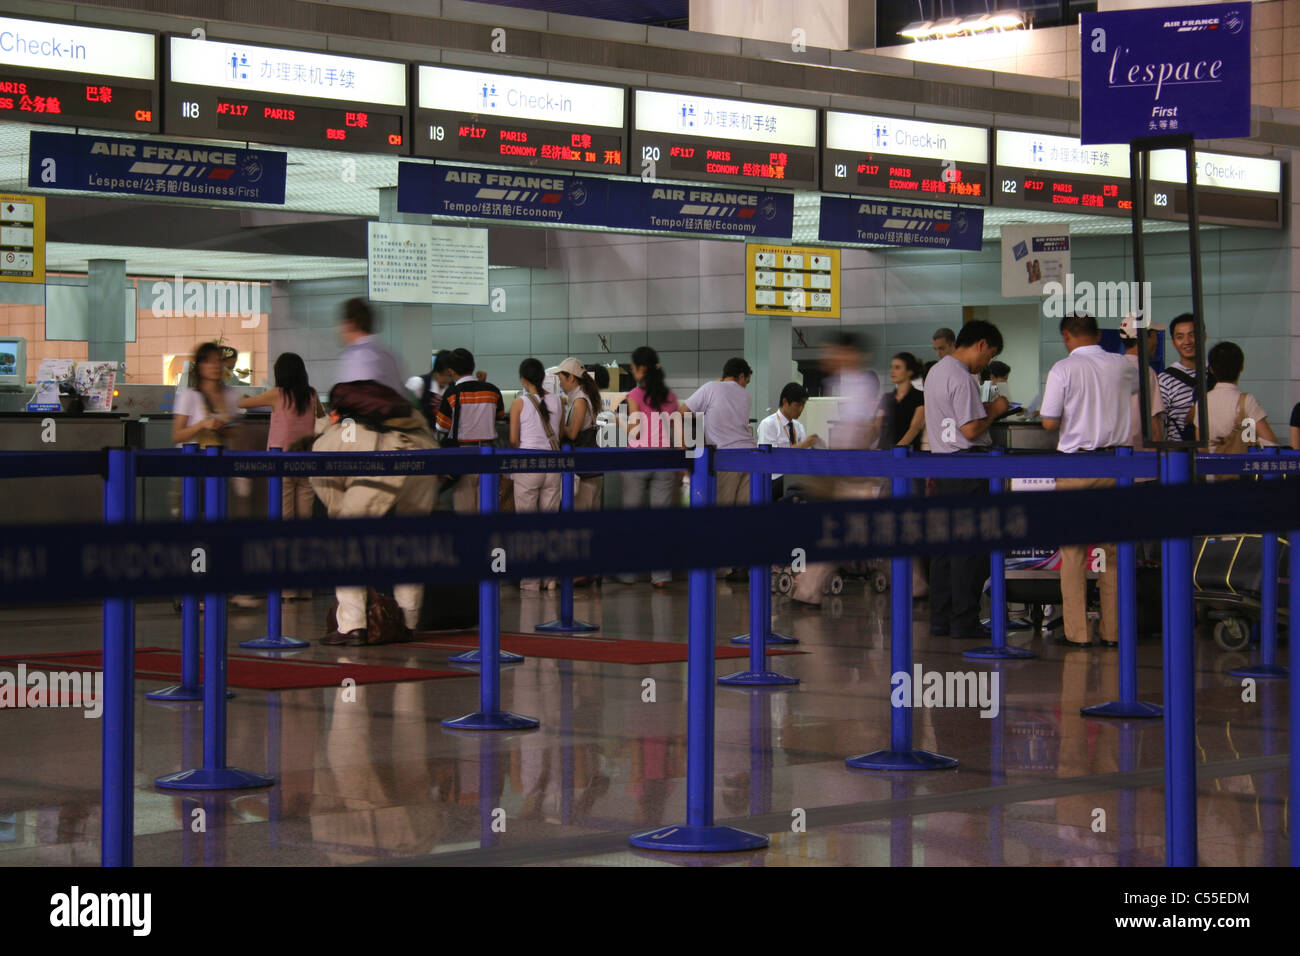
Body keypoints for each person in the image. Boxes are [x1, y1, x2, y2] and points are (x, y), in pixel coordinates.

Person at [312, 380, 438, 645]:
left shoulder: (341, 433)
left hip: (377, 471)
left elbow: (331, 496)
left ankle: (352, 625)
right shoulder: (412, 421)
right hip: (421, 466)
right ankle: (407, 623)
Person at [1040, 313, 1139, 647]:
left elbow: (1049, 422)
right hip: (1117, 466)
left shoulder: (1063, 369)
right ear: (1097, 334)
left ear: (1067, 336)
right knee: (1113, 552)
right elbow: (1138, 386)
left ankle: (1078, 633)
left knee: (1073, 553)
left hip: (1075, 468)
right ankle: (1113, 631)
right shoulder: (1124, 366)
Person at [923, 320, 1009, 639]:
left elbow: (953, 418)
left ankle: (941, 618)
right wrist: (996, 411)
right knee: (969, 550)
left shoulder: (936, 372)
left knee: (945, 548)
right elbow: (970, 429)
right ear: (981, 344)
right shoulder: (962, 377)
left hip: (942, 465)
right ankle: (965, 620)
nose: (987, 363)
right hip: (967, 467)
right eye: (990, 355)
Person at [791, 334, 879, 606]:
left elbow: (860, 432)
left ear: (850, 353)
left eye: (834, 351)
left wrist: (839, 468)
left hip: (851, 472)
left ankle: (914, 585)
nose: (828, 357)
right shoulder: (841, 382)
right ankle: (807, 589)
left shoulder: (861, 385)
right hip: (843, 470)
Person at [237, 352, 325, 600]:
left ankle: (286, 587)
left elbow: (243, 404)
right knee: (304, 525)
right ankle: (305, 588)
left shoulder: (277, 394)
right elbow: (321, 416)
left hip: (281, 465)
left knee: (284, 524)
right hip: (305, 465)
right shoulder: (311, 394)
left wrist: (244, 396)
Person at [620, 347, 683, 588]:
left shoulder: (634, 395)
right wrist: (682, 464)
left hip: (638, 459)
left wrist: (618, 421)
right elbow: (679, 435)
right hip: (665, 461)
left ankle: (628, 573)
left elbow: (635, 430)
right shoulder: (670, 397)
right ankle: (661, 577)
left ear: (640, 369)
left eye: (633, 367)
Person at [509, 358, 563, 591]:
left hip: (527, 465)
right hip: (553, 465)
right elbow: (559, 433)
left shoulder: (519, 404)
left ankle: (530, 581)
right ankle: (550, 578)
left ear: (523, 379)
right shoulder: (558, 400)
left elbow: (513, 439)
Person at [435, 348, 504, 513]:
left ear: (451, 371)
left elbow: (441, 427)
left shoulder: (451, 394)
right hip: (489, 456)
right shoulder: (492, 390)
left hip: (462, 457)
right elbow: (500, 417)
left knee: (465, 512)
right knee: (489, 511)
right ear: (473, 366)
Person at [1193, 342, 1278, 475]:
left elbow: (1201, 447)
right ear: (1241, 367)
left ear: (1211, 370)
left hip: (1212, 475)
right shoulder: (1246, 401)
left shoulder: (1202, 402)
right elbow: (1270, 442)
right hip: (1241, 476)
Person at [681, 357, 756, 506]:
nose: (745, 386)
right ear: (741, 376)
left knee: (722, 509)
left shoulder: (711, 387)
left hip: (725, 457)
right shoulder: (746, 396)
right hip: (750, 456)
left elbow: (682, 412)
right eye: (746, 382)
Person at [756, 381, 819, 500]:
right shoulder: (768, 424)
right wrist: (802, 445)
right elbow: (771, 458)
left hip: (794, 475)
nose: (801, 409)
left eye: (803, 405)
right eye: (798, 405)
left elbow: (805, 456)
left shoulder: (798, 426)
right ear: (785, 402)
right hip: (774, 479)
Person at [1157, 312, 1209, 443]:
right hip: (1180, 456)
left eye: (1192, 335)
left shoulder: (1216, 373)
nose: (1187, 342)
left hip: (1215, 454)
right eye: (1180, 337)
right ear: (1173, 343)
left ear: (1204, 337)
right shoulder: (1164, 380)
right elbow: (1157, 425)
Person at [336, 297, 406, 394]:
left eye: (342, 324)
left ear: (351, 323)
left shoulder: (357, 356)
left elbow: (356, 400)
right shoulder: (388, 354)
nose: (340, 330)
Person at [1119, 317, 1163, 451]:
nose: (1157, 342)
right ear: (1144, 338)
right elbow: (1154, 426)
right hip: (1140, 456)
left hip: (1113, 453)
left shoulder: (1110, 368)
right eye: (1155, 336)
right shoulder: (1146, 372)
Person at [877, 352, 926, 450]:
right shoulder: (886, 398)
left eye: (897, 367)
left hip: (907, 454)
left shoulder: (920, 396)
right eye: (892, 367)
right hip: (884, 452)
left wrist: (897, 450)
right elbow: (876, 425)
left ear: (909, 371)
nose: (892, 371)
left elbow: (915, 428)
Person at [406, 349, 457, 430]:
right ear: (436, 372)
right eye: (446, 375)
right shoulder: (418, 383)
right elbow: (407, 412)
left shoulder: (453, 387)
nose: (448, 379)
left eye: (451, 376)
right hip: (421, 433)